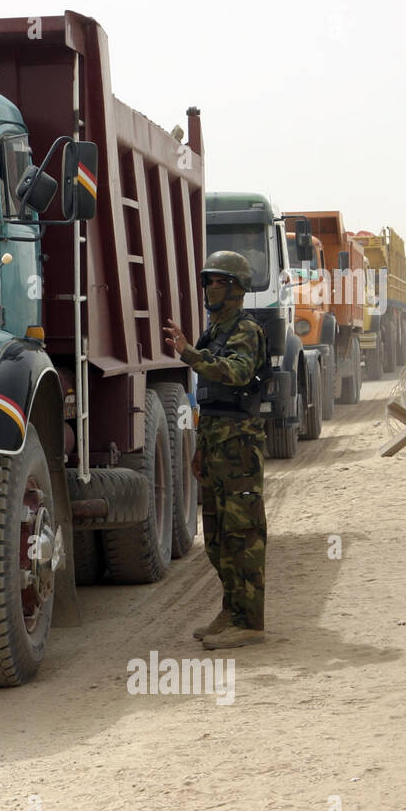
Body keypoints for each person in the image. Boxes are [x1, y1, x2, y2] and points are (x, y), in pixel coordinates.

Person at [161, 250, 269, 649]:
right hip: (217, 442)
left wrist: (189, 353)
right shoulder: (216, 330)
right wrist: (200, 446)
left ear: (237, 287)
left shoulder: (245, 330)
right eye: (207, 281)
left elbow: (237, 372)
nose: (209, 288)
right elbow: (208, 397)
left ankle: (251, 622)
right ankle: (232, 610)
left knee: (244, 535)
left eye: (218, 281)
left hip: (239, 446)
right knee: (219, 538)